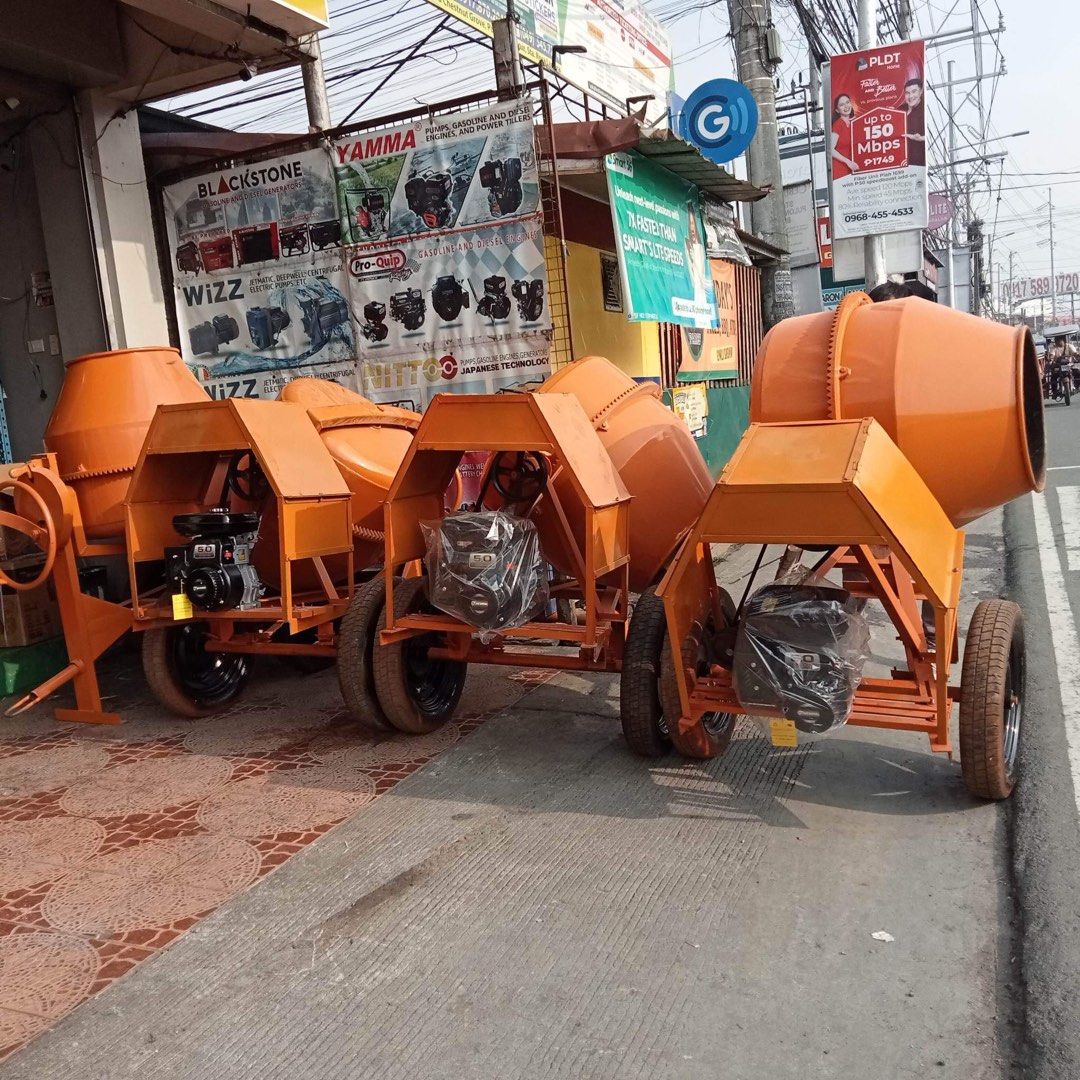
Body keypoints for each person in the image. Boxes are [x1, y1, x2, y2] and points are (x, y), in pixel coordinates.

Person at [831, 94, 859, 179]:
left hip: (853, 169)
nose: (846, 106)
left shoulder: (854, 123)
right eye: (842, 105)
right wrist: (848, 162)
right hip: (841, 170)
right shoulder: (838, 124)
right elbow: (830, 150)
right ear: (837, 110)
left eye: (847, 102)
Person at [903, 79, 926, 166]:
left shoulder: (924, 110)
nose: (910, 96)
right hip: (901, 162)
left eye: (914, 91)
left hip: (917, 163)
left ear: (921, 92)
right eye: (907, 93)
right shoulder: (900, 109)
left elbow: (932, 137)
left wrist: (921, 138)